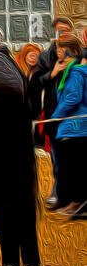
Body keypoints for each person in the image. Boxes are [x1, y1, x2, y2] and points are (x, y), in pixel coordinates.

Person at [30, 17, 74, 206]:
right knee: (57, 157)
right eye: (58, 31)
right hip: (54, 112)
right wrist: (53, 73)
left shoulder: (80, 53)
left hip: (76, 113)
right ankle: (59, 193)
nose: (61, 34)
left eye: (65, 30)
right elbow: (36, 83)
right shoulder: (47, 56)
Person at [48, 34, 87, 218]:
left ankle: (78, 202)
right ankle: (72, 201)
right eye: (58, 50)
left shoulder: (76, 72)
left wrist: (56, 116)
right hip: (75, 126)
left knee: (73, 167)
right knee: (73, 166)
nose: (59, 54)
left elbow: (72, 97)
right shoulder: (74, 70)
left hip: (75, 127)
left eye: (62, 50)